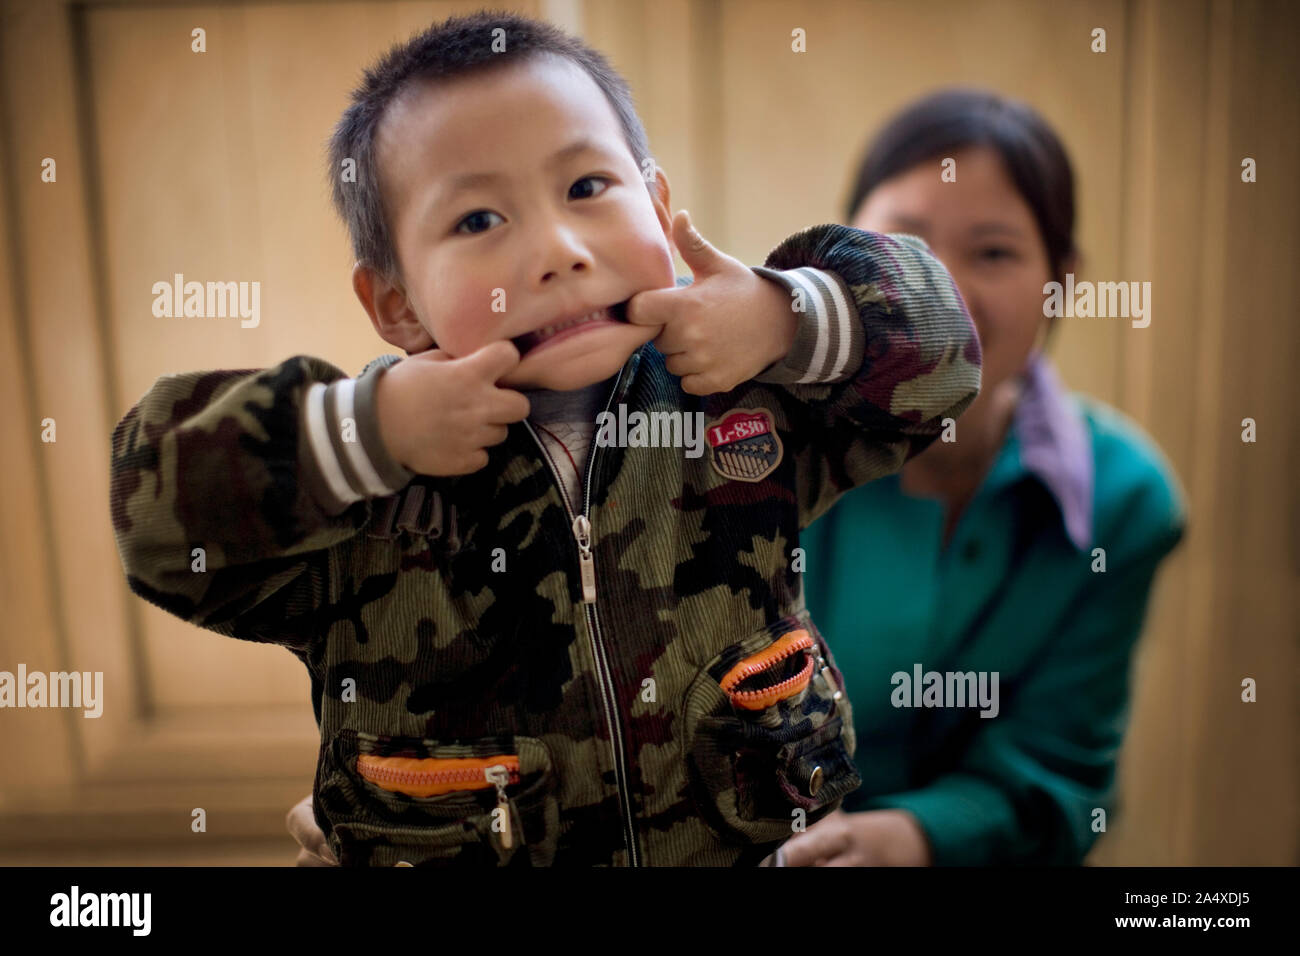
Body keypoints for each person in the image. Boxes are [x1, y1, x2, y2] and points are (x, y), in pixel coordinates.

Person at [109, 12, 981, 866]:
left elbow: (947, 356)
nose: (558, 250)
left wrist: (786, 314)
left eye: (587, 188)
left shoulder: (746, 402)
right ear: (398, 306)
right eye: (479, 221)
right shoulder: (361, 489)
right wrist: (366, 432)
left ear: (659, 200)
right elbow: (155, 519)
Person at [781, 89, 1187, 867]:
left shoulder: (1126, 502)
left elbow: (1062, 775)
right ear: (837, 261)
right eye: (905, 242)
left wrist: (916, 839)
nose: (945, 292)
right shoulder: (751, 448)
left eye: (993, 252)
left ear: (1060, 284)